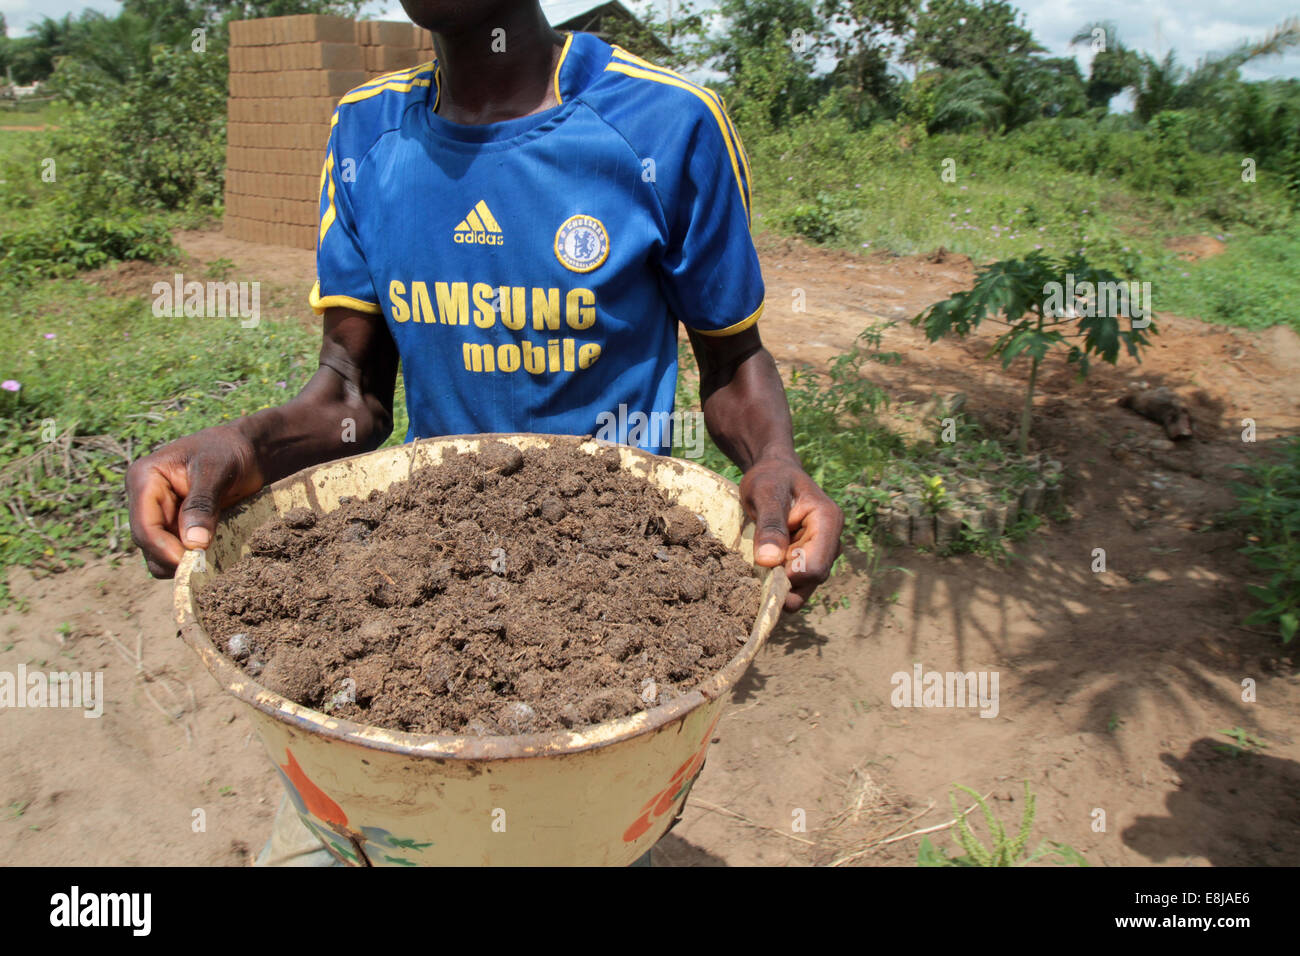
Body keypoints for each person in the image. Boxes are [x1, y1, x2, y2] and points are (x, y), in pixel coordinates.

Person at [126, 0, 844, 864]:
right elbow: (352, 394)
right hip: (422, 569)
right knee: (364, 833)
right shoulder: (369, 132)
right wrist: (249, 445)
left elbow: (732, 364)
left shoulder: (663, 123)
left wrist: (774, 460)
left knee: (575, 840)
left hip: (611, 590)